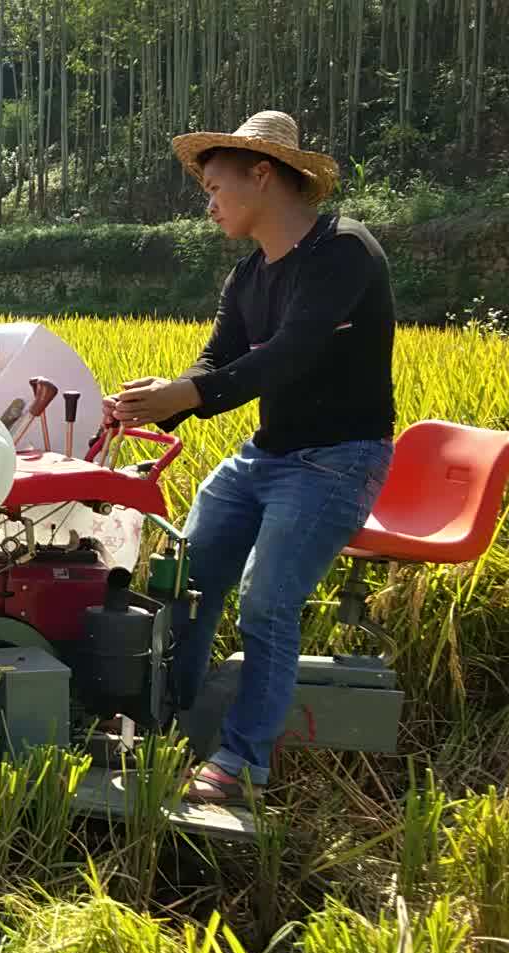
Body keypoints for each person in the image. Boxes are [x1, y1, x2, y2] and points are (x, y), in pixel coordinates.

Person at [104, 110, 396, 803]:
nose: (207, 204)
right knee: (184, 588)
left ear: (261, 175)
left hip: (339, 458)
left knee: (268, 602)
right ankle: (164, 726)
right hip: (265, 457)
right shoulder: (247, 277)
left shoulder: (343, 253)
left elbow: (285, 357)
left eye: (213, 187)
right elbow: (222, 359)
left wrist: (188, 391)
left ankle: (242, 762)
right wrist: (161, 398)